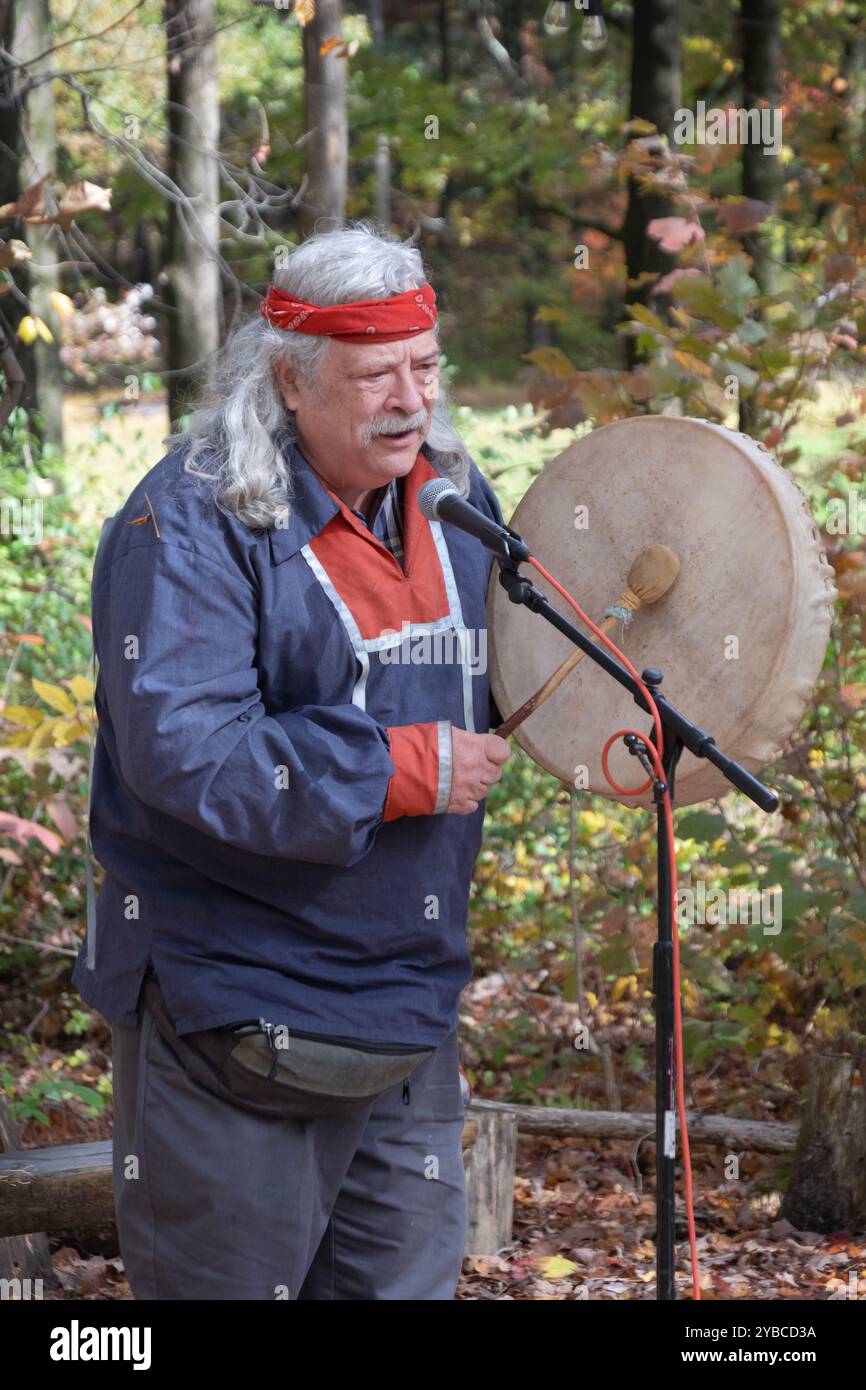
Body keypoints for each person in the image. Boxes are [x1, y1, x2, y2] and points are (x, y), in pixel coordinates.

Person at [72, 221, 512, 1300]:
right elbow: (191, 753)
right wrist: (399, 770)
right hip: (236, 1009)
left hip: (404, 1012)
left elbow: (533, 685)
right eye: (373, 375)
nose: (408, 398)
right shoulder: (190, 519)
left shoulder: (455, 504)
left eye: (423, 366)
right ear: (286, 378)